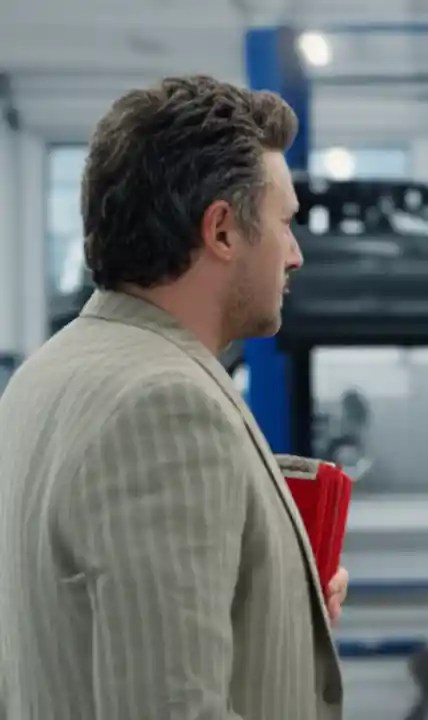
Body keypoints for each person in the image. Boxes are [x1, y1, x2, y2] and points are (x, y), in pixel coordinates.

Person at [0, 75, 349, 719]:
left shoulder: (47, 374)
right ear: (221, 231)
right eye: (284, 224)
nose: (295, 255)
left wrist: (282, 602)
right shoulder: (165, 406)